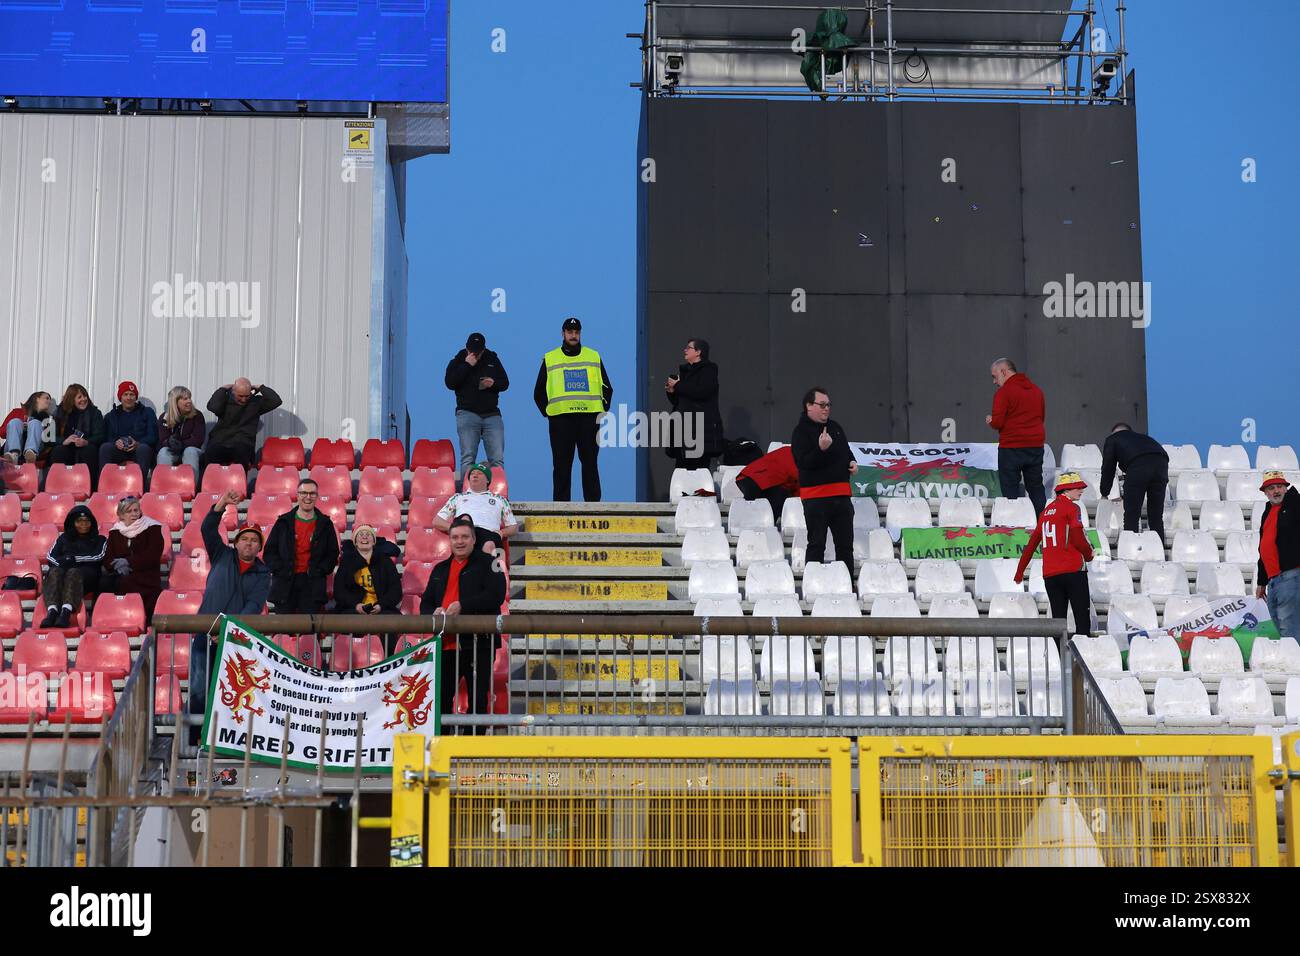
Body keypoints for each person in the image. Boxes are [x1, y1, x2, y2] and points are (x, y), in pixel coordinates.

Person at [187, 491, 273, 739]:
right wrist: (221, 506)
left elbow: (253, 606)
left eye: (254, 540)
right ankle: (194, 743)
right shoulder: (221, 554)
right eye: (244, 538)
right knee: (199, 691)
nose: (248, 543)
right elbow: (207, 529)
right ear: (236, 542)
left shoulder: (262, 573)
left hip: (235, 640)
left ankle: (227, 742)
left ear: (259, 547)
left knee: (233, 693)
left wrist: (227, 630)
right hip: (205, 636)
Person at [420, 515, 507, 732]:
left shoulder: (491, 562)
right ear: (449, 540)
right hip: (446, 643)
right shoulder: (439, 569)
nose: (460, 541)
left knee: (477, 701)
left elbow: (496, 595)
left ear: (474, 539)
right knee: (441, 700)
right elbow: (426, 603)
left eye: (465, 537)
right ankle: (443, 750)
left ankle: (471, 751)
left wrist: (463, 606)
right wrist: (434, 611)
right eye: (455, 537)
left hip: (479, 642)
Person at [533, 317, 612, 502]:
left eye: (576, 332)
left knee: (590, 464)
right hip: (561, 421)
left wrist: (602, 410)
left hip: (589, 419)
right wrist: (549, 412)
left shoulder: (593, 356)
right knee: (561, 465)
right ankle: (561, 508)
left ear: (580, 333)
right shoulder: (550, 358)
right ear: (563, 334)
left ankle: (593, 507)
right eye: (570, 332)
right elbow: (538, 392)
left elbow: (607, 387)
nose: (573, 335)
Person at [1013, 472, 1095, 636]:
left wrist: (1020, 571)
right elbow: (1077, 537)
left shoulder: (1045, 513)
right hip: (1073, 570)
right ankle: (1082, 658)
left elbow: (1032, 544)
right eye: (1077, 487)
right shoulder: (1072, 508)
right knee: (1082, 619)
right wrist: (1088, 554)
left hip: (1051, 575)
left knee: (1058, 623)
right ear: (1065, 491)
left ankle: (1060, 659)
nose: (1081, 490)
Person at [791, 387, 857, 566]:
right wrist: (821, 450)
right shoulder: (800, 432)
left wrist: (852, 461)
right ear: (809, 406)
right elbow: (803, 463)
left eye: (828, 405)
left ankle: (847, 587)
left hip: (841, 497)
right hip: (816, 498)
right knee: (816, 545)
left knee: (845, 547)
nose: (826, 408)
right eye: (822, 405)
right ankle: (814, 587)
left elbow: (846, 450)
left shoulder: (835, 427)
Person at [263, 478, 339, 614]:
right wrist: (280, 569)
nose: (308, 497)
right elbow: (269, 551)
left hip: (313, 584)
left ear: (317, 496)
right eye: (304, 493)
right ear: (297, 495)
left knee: (308, 631)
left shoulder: (326, 524)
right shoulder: (283, 522)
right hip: (285, 583)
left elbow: (332, 553)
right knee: (283, 630)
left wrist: (320, 570)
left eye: (312, 494)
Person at [986, 358, 1047, 516]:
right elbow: (1041, 417)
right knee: (1036, 489)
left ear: (1004, 372)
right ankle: (1042, 526)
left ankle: (1014, 526)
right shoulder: (1036, 390)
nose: (994, 381)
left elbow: (998, 422)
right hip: (1035, 447)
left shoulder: (1004, 392)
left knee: (1010, 491)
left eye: (995, 376)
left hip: (1011, 448)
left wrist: (991, 421)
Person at [445, 331, 509, 480]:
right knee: (468, 457)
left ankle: (497, 495)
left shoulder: (492, 358)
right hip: (467, 414)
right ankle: (467, 495)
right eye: (471, 350)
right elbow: (450, 382)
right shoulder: (458, 360)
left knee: (497, 458)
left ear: (483, 349)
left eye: (477, 351)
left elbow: (505, 383)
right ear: (466, 348)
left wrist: (493, 383)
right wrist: (467, 365)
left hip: (491, 414)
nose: (474, 354)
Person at [1099, 423, 1170, 546]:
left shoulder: (1113, 439)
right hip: (1162, 464)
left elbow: (1108, 467)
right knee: (1156, 515)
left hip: (1138, 465)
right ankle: (1159, 552)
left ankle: (1130, 549)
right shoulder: (1144, 439)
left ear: (1115, 433)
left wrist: (1104, 492)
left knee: (1132, 513)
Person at [334, 524, 402, 650]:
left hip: (381, 609)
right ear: (355, 542)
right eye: (360, 534)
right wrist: (356, 605)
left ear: (374, 541)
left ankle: (388, 662)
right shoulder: (347, 562)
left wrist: (381, 605)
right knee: (347, 620)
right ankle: (351, 662)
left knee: (391, 622)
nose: (364, 537)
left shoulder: (385, 561)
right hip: (354, 609)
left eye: (368, 534)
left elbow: (395, 591)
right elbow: (339, 591)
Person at [40, 504, 107, 628]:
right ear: (72, 522)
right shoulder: (63, 538)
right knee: (54, 571)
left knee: (73, 572)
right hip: (63, 574)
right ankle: (52, 611)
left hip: (87, 577)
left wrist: (73, 559)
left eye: (87, 521)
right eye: (79, 521)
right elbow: (50, 557)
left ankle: (65, 613)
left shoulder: (100, 539)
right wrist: (64, 561)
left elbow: (98, 557)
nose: (83, 524)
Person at [103, 495, 166, 624]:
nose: (134, 514)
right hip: (121, 574)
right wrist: (118, 566)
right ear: (121, 515)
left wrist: (128, 562)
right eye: (129, 511)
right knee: (107, 583)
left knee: (130, 583)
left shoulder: (153, 528)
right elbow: (108, 556)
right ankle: (115, 620)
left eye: (136, 510)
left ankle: (143, 621)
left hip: (146, 574)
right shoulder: (115, 531)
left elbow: (152, 555)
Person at [664, 338, 724, 471]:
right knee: (681, 470)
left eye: (688, 348)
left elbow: (701, 392)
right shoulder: (685, 372)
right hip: (683, 430)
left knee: (699, 471)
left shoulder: (709, 370)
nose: (685, 350)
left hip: (700, 431)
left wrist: (678, 385)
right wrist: (672, 391)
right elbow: (678, 401)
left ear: (698, 352)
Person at [433, 462, 518, 555]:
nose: (475, 475)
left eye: (479, 473)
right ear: (469, 479)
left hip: (489, 535)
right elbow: (437, 521)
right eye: (472, 473)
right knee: (465, 519)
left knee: (488, 546)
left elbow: (513, 527)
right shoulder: (458, 497)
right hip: (465, 533)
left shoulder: (500, 499)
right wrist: (455, 529)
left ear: (487, 480)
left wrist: (501, 533)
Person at [202, 378, 282, 474]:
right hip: (221, 442)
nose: (244, 399)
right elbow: (213, 407)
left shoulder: (256, 403)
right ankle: (209, 485)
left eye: (247, 396)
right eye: (240, 396)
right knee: (210, 455)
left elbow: (276, 401)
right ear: (233, 391)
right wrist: (222, 389)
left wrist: (260, 387)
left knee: (241, 454)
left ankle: (240, 485)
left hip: (243, 444)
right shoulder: (225, 401)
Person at [1256, 471, 1300, 639]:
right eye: (1271, 488)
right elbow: (1263, 549)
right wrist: (1261, 582)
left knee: (1289, 629)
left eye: (1280, 486)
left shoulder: (1295, 504)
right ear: (1265, 492)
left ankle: (1295, 664)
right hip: (1274, 580)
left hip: (1291, 576)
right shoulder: (1268, 511)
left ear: (1286, 488)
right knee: (1281, 626)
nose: (1276, 491)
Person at [49, 384, 105, 479]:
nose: (83, 399)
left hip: (86, 447)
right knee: (58, 451)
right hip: (68, 448)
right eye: (79, 397)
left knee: (89, 450)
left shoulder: (95, 413)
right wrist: (64, 441)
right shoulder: (59, 413)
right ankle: (58, 485)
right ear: (71, 399)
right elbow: (49, 437)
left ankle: (89, 487)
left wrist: (86, 442)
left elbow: (100, 436)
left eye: (85, 396)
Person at [99, 381, 156, 473]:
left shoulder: (147, 412)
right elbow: (106, 437)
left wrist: (138, 443)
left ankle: (141, 485)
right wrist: (116, 443)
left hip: (138, 450)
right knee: (105, 447)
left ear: (136, 397)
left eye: (132, 394)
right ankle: (104, 483)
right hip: (119, 451)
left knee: (144, 449)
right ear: (120, 397)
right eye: (125, 394)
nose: (129, 398)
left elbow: (152, 437)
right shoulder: (111, 416)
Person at [735, 444, 800, 524]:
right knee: (754, 511)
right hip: (754, 478)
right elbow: (799, 478)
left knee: (777, 501)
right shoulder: (791, 454)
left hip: (755, 479)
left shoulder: (791, 452)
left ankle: (766, 527)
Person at [156, 386, 206, 485]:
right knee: (163, 452)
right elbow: (162, 440)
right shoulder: (164, 418)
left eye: (189, 398)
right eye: (185, 399)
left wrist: (182, 444)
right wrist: (169, 442)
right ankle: (163, 486)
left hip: (192, 451)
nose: (189, 401)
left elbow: (198, 440)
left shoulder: (197, 415)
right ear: (175, 402)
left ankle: (190, 487)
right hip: (173, 451)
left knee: (190, 451)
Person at [3, 391, 53, 465]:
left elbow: (50, 440)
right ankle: (13, 455)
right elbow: (2, 433)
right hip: (12, 446)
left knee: (35, 423)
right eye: (47, 398)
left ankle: (31, 454)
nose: (49, 401)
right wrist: (21, 427)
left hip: (37, 450)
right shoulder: (17, 412)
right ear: (37, 398)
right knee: (15, 422)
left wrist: (41, 429)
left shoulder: (49, 419)